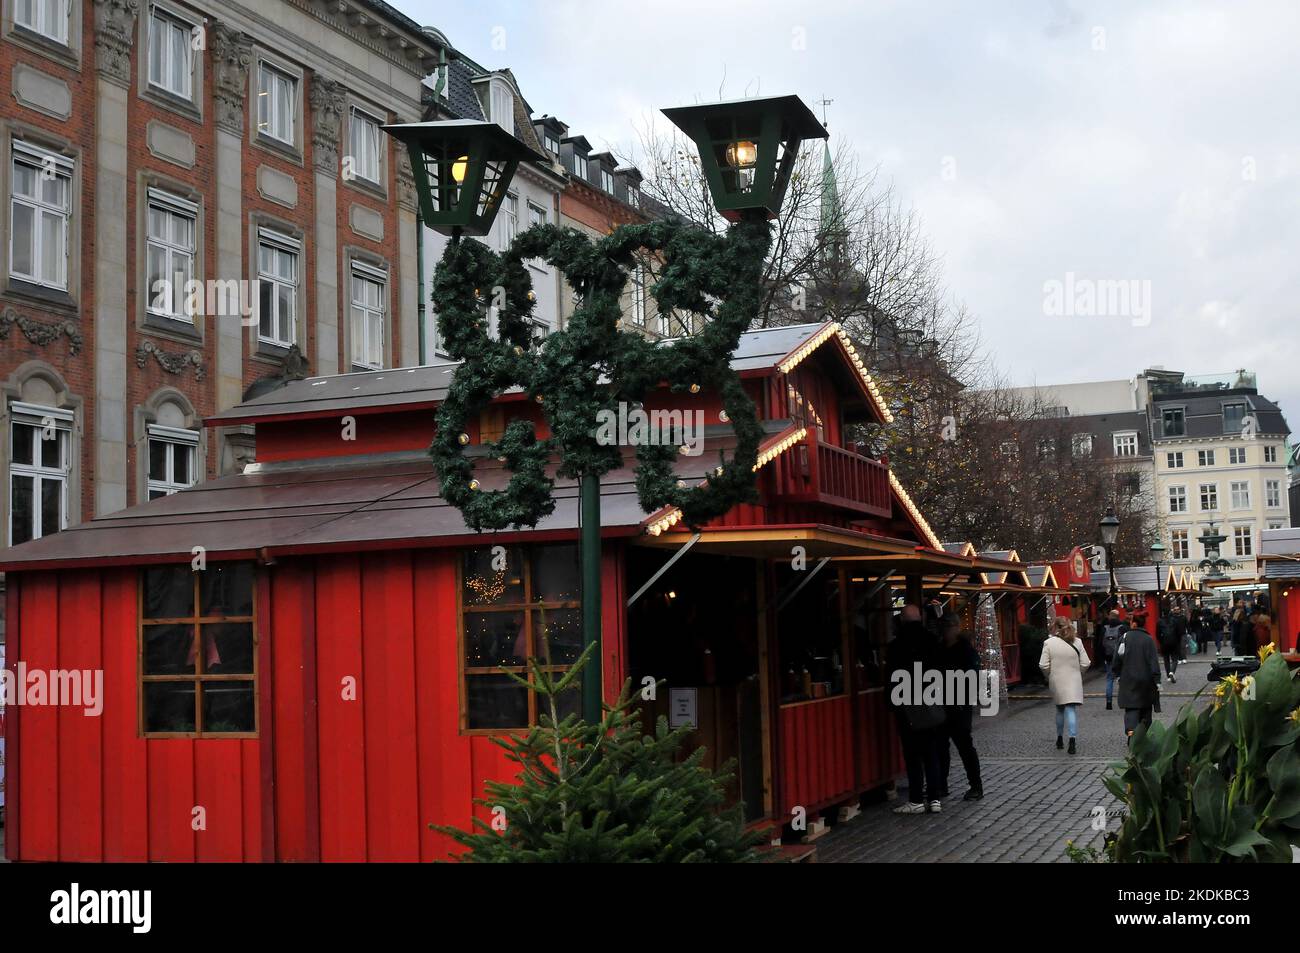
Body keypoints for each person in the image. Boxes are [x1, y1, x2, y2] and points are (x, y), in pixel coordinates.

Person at [887, 604, 945, 814]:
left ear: (902, 619)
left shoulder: (896, 645)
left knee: (912, 754)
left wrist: (892, 703)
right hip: (929, 702)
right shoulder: (932, 641)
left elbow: (892, 677)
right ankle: (935, 798)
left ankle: (916, 800)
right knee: (931, 752)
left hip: (907, 705)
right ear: (919, 618)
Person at [937, 614, 983, 801]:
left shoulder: (965, 650)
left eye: (948, 626)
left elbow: (973, 676)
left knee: (964, 746)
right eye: (943, 626)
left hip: (959, 705)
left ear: (956, 627)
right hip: (941, 703)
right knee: (941, 746)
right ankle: (941, 784)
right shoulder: (940, 648)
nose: (946, 630)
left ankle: (976, 786)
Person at [1039, 616, 1090, 754]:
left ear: (1055, 626)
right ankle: (1072, 740)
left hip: (1057, 679)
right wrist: (1078, 672)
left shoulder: (1049, 643)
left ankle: (1060, 738)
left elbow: (1043, 664)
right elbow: (1086, 662)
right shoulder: (1077, 641)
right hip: (1073, 679)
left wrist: (1049, 674)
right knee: (1071, 709)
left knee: (1060, 709)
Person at [1112, 619, 1161, 742]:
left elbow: (1117, 658)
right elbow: (1153, 662)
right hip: (1146, 680)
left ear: (1133, 624)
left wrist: (1118, 674)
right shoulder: (1148, 639)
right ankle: (1144, 736)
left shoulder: (1125, 638)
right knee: (1145, 709)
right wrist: (1157, 679)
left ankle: (1131, 734)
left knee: (1131, 709)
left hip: (1128, 678)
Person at [1097, 609, 1129, 710]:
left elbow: (1099, 644)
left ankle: (1109, 702)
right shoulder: (1122, 628)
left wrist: (1103, 657)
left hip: (1109, 657)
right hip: (1121, 657)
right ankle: (1123, 701)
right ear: (1118, 616)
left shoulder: (1104, 628)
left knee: (1109, 679)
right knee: (1122, 679)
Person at [1157, 607, 1185, 683]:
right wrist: (1178, 641)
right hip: (1174, 642)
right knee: (1175, 659)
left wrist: (1161, 641)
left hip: (1164, 643)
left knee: (1166, 660)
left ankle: (1168, 676)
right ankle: (1172, 672)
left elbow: (1157, 634)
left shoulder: (1159, 621)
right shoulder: (1175, 620)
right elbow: (1179, 632)